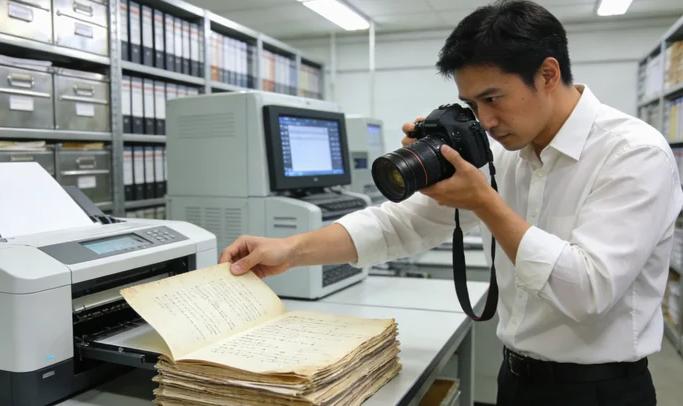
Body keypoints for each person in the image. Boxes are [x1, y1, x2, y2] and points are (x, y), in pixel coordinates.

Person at [219, 1, 682, 405]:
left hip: (599, 391)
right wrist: (289, 249)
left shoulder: (632, 153)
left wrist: (484, 202)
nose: (486, 120)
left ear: (547, 74)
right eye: (471, 104)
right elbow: (401, 225)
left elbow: (589, 290)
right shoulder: (505, 151)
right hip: (516, 378)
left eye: (493, 98)